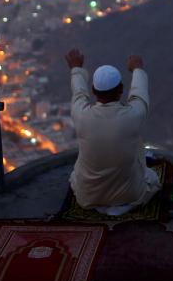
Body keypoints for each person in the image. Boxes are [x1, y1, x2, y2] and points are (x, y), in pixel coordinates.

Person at [64, 48, 160, 215]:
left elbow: (79, 93)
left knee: (76, 175)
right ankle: (119, 206)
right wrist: (137, 69)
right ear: (121, 89)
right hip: (130, 195)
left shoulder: (81, 115)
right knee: (152, 178)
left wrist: (76, 69)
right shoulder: (133, 115)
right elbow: (140, 95)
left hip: (88, 197)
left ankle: (105, 205)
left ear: (93, 91)